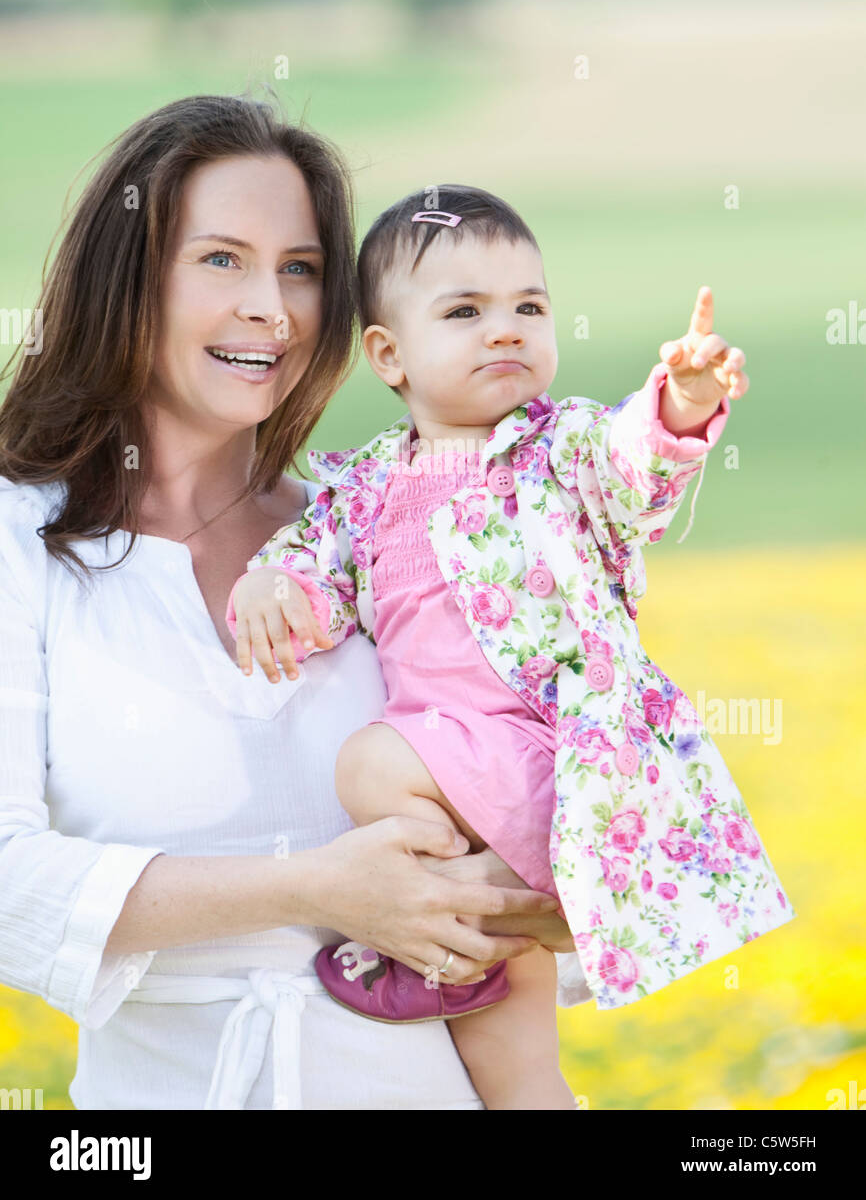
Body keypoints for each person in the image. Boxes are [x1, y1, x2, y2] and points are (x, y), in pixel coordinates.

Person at [0, 98, 574, 1112]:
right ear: (126, 277)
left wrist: (545, 888)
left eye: (301, 269)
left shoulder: (388, 535)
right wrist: (312, 888)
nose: (271, 305)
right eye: (220, 258)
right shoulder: (20, 544)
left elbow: (556, 800)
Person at [227, 183, 797, 1111]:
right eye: (465, 312)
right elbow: (314, 576)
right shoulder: (366, 486)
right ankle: (466, 967)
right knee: (517, 1069)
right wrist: (270, 584)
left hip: (558, 765)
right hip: (473, 790)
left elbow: (633, 466)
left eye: (528, 307)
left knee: (371, 760)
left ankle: (436, 930)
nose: (506, 330)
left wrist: (679, 404)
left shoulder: (557, 449)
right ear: (388, 354)